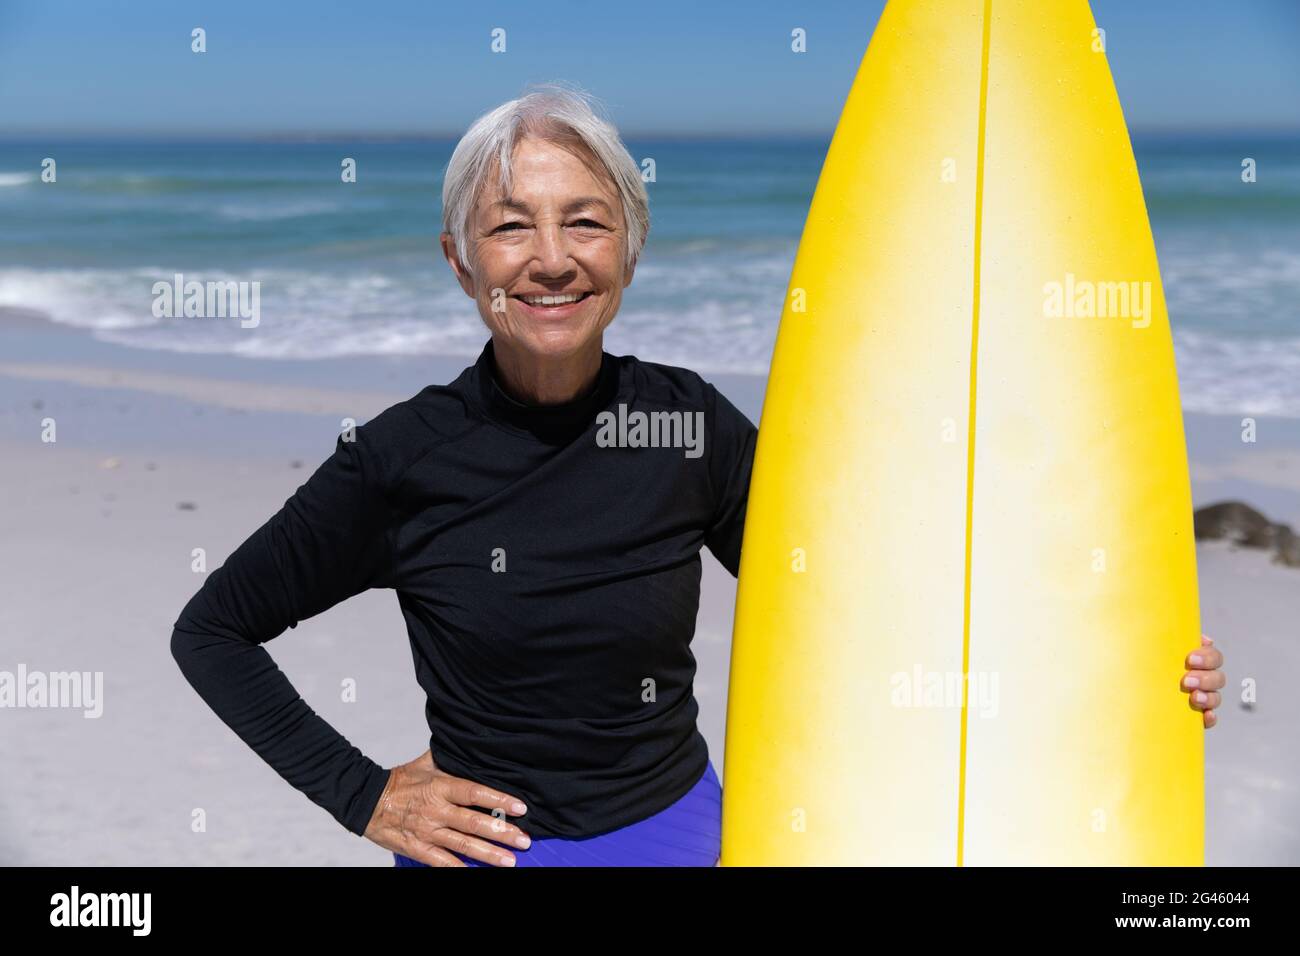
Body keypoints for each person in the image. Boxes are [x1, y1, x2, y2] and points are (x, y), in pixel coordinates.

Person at [169, 84, 1225, 868]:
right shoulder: (402, 456)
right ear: (460, 260)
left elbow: (866, 604)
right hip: (483, 853)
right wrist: (364, 794)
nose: (549, 257)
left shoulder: (684, 425)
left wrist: (1132, 667)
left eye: (585, 218)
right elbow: (212, 629)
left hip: (678, 833)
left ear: (629, 245)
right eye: (509, 225)